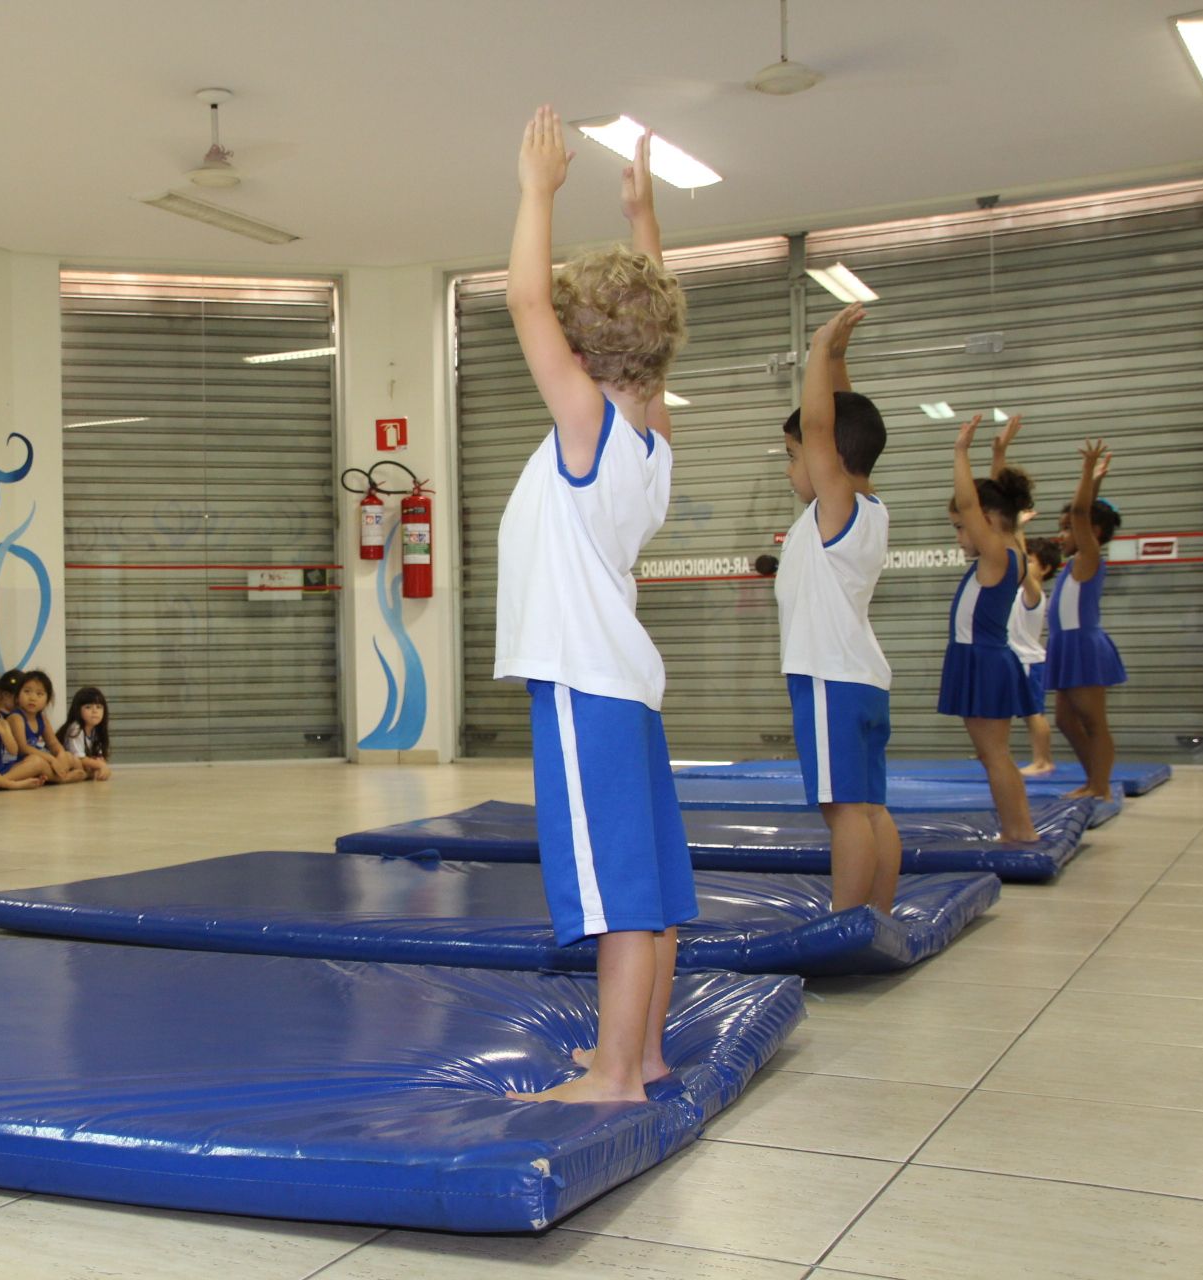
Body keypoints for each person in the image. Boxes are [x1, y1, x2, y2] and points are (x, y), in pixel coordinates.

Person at [495, 110, 694, 1105]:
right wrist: (641, 217)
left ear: (579, 351)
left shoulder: (585, 426)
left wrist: (539, 190)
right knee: (649, 885)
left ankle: (613, 1074)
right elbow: (650, 337)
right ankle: (644, 1051)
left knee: (619, 892)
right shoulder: (647, 438)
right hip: (627, 684)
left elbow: (526, 297)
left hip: (584, 681)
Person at [775, 302, 900, 915]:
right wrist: (842, 362)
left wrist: (819, 349)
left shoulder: (838, 508)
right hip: (862, 680)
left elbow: (827, 431)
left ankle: (848, 922)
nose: (795, 468)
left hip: (829, 677)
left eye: (793, 457)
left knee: (843, 809)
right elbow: (847, 428)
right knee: (870, 806)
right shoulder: (864, 509)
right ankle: (874, 914)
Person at [939, 417, 1038, 842]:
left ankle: (1020, 831)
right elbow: (997, 503)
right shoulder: (1013, 544)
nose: (961, 535)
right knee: (993, 753)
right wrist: (998, 456)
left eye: (963, 527)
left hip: (982, 658)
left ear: (988, 520)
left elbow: (970, 502)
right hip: (982, 656)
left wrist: (961, 451)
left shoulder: (997, 554)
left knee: (994, 754)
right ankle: (1019, 828)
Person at [1049, 441, 1124, 800]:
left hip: (1083, 645)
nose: (1061, 535)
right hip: (1067, 644)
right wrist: (1095, 483)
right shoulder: (1074, 562)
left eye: (1068, 529)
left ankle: (1100, 786)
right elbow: (1084, 513)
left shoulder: (1089, 557)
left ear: (1090, 532)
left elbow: (1082, 513)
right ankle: (1092, 778)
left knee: (1094, 722)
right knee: (1065, 720)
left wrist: (1087, 474)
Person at [1010, 538, 1063, 776]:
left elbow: (1018, 561)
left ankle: (1043, 760)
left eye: (1031, 561)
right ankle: (1040, 759)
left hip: (1029, 661)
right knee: (1025, 713)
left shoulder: (1034, 595)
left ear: (1045, 568)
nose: (1025, 563)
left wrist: (1017, 529)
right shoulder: (1020, 592)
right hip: (1017, 661)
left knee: (1033, 714)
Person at [14, 670, 82, 783]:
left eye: (39, 694)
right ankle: (63, 778)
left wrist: (60, 755)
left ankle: (64, 775)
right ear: (17, 696)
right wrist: (51, 759)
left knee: (68, 756)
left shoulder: (42, 719)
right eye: (27, 691)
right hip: (19, 762)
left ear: (47, 701)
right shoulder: (16, 717)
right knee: (38, 763)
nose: (32, 698)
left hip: (39, 758)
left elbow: (53, 743)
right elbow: (23, 748)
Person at [60, 685, 112, 782]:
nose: (95, 711)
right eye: (88, 707)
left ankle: (85, 774)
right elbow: (80, 758)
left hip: (79, 766)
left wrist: (101, 766)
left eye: (99, 707)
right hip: (67, 762)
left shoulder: (96, 730)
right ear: (78, 710)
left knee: (90, 766)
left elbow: (98, 757)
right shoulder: (76, 728)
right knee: (76, 762)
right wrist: (101, 766)